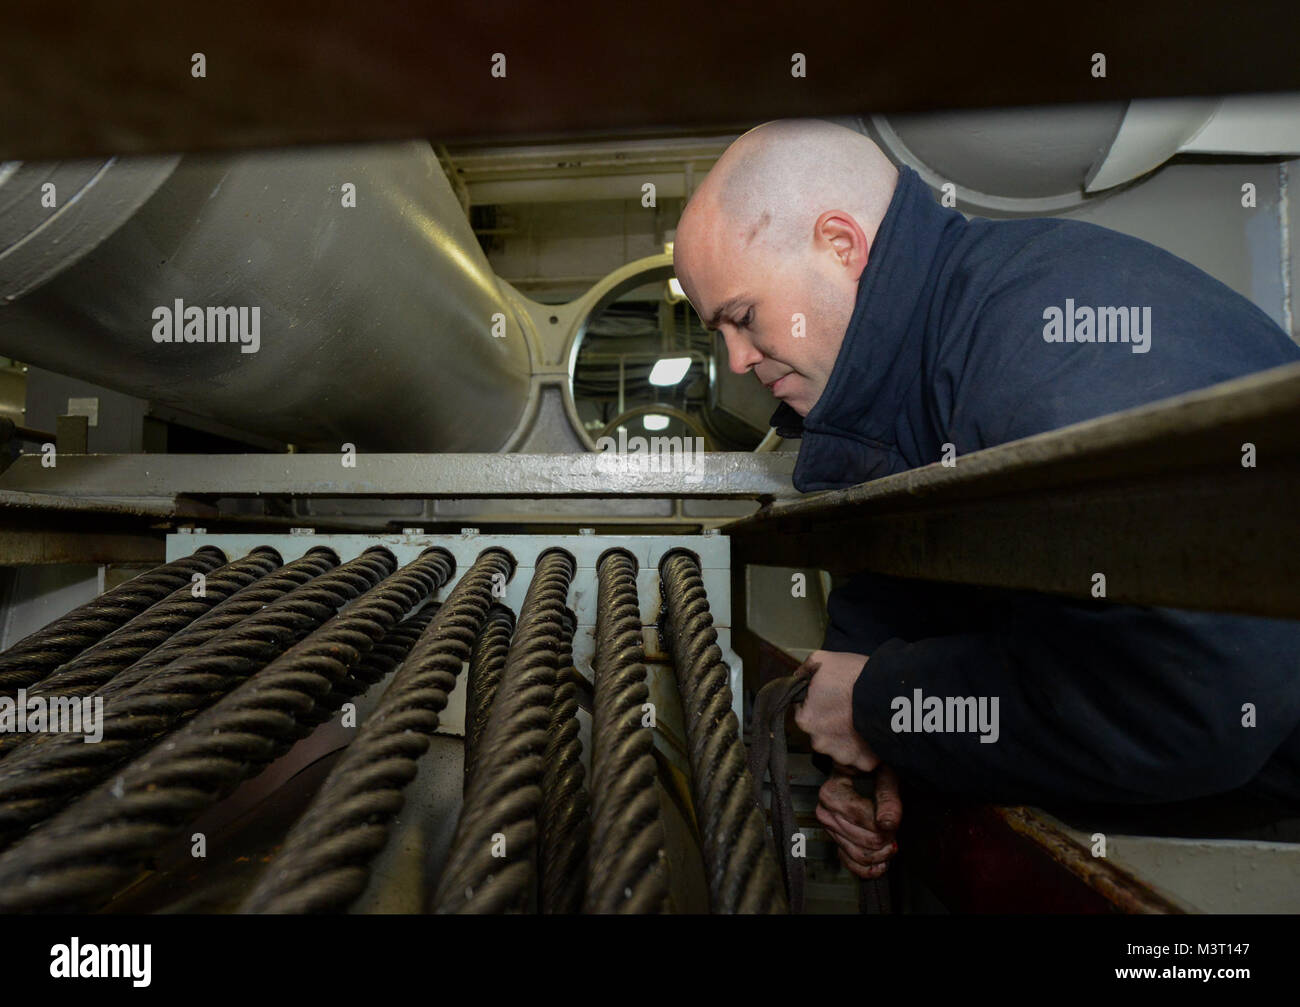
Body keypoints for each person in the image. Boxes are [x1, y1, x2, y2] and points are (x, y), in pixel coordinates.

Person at [673, 118, 1300, 883]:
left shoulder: (1042, 342)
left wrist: (884, 709)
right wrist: (871, 767)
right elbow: (897, 607)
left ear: (841, 245)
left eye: (741, 317)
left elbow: (1187, 702)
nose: (737, 359)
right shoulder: (900, 381)